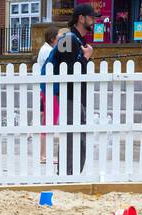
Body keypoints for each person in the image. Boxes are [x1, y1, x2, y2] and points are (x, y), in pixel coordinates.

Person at [47, 3, 96, 175]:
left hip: (78, 96)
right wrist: (86, 58)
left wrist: (85, 59)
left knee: (79, 138)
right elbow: (66, 71)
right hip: (69, 96)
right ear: (81, 18)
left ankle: (73, 174)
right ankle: (66, 175)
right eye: (91, 17)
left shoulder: (79, 40)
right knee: (71, 138)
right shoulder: (67, 39)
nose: (94, 20)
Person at [36, 26, 59, 165]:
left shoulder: (45, 49)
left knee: (49, 120)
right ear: (52, 39)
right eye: (59, 38)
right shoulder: (49, 51)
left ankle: (44, 154)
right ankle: (44, 155)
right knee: (50, 121)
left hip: (47, 89)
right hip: (49, 90)